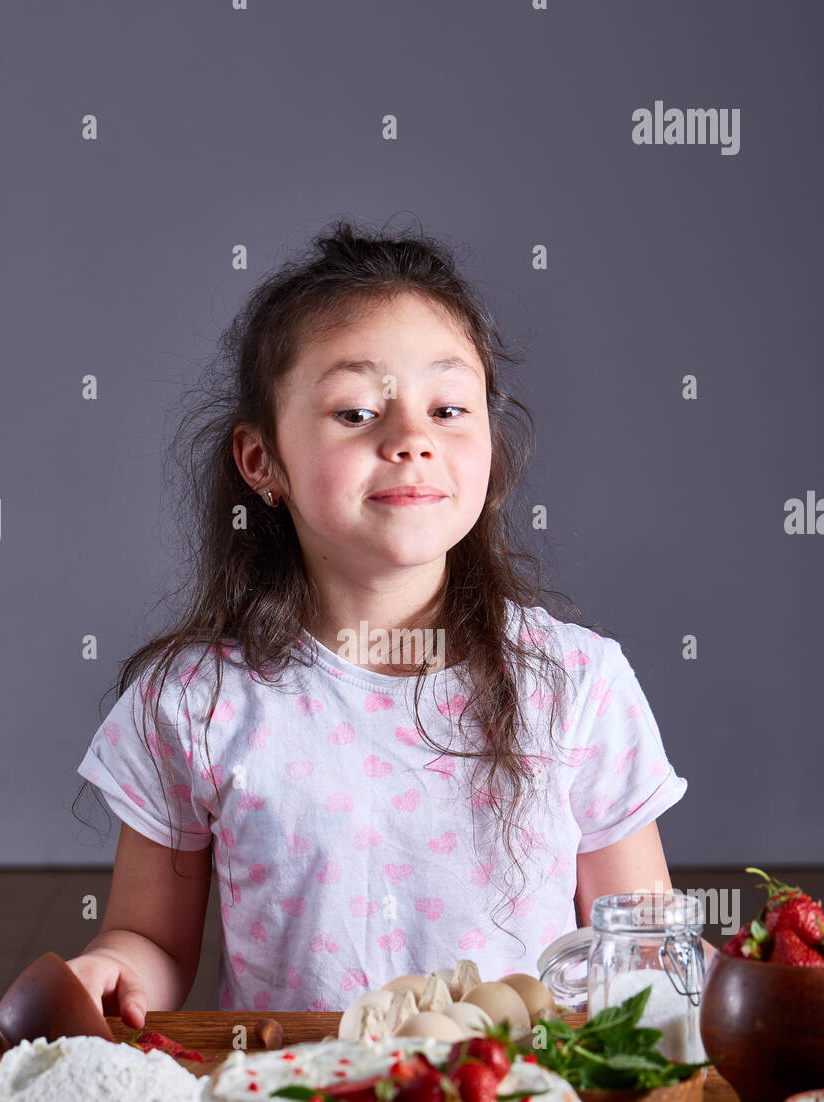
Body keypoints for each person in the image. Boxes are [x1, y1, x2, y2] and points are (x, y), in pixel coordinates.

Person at [69, 217, 705, 1030]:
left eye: (448, 408)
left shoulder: (579, 683)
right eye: (356, 412)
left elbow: (640, 947)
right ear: (262, 461)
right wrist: (112, 968)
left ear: (491, 453)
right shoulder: (194, 701)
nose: (411, 440)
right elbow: (149, 938)